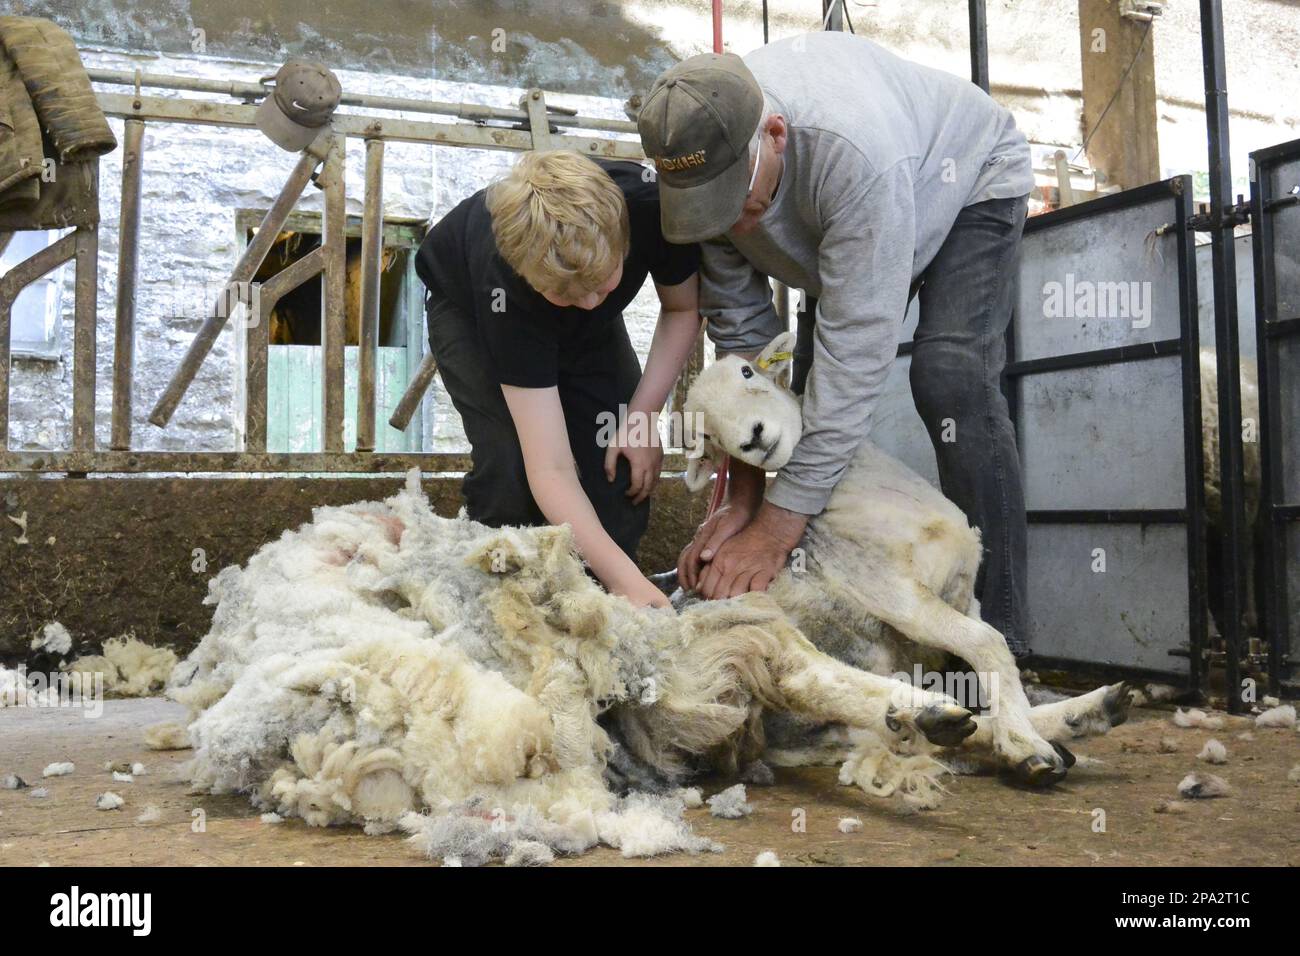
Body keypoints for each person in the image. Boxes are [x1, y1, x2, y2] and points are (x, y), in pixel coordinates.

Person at [638, 32, 1036, 654]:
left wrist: (774, 532)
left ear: (773, 134)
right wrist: (740, 504)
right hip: (844, 227)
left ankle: (1002, 639)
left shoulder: (852, 152)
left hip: (964, 178)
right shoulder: (706, 167)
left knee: (949, 375)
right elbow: (747, 359)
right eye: (706, 212)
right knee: (801, 400)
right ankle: (846, 611)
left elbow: (853, 360)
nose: (731, 226)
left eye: (736, 203)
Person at [414, 150, 703, 608]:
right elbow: (550, 467)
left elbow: (683, 307)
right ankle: (502, 608)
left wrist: (642, 417)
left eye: (604, 285)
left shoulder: (651, 205)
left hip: (564, 287)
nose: (590, 304)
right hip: (478, 309)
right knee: (509, 467)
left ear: (623, 239)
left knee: (619, 456)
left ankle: (603, 605)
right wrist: (628, 584)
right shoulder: (507, 289)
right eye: (571, 296)